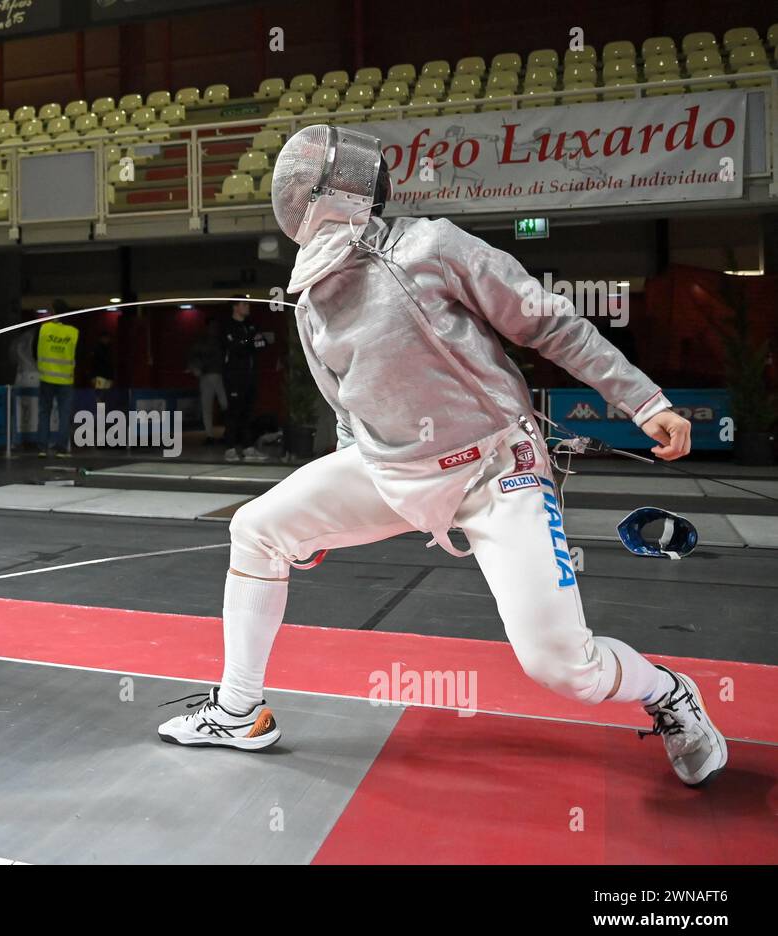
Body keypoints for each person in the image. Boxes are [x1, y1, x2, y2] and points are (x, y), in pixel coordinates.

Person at [158, 126, 726, 789]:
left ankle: (668, 693)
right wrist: (327, 522)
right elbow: (351, 413)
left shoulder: (431, 246)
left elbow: (548, 322)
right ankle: (238, 710)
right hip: (393, 471)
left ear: (339, 194)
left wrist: (643, 400)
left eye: (306, 184)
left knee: (562, 667)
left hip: (498, 470)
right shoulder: (312, 302)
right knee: (258, 530)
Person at [221, 298, 269, 462]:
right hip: (234, 377)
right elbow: (236, 348)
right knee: (233, 412)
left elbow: (263, 344)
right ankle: (230, 448)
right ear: (235, 307)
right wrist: (249, 342)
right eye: (244, 304)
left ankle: (248, 448)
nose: (248, 307)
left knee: (248, 413)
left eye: (248, 304)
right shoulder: (227, 326)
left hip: (251, 376)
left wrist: (247, 343)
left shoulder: (251, 325)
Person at [36, 301, 78, 458]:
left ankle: (42, 447)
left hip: (46, 377)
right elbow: (78, 354)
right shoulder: (73, 332)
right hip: (66, 380)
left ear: (54, 312)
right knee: (64, 414)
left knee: (44, 413)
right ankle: (61, 448)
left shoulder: (44, 329)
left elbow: (35, 350)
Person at [188, 318, 227, 446]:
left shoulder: (204, 341)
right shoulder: (221, 341)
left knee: (208, 406)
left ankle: (210, 434)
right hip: (216, 374)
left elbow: (193, 355)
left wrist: (196, 368)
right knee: (224, 403)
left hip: (207, 375)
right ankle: (228, 432)